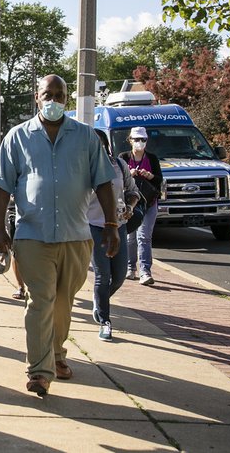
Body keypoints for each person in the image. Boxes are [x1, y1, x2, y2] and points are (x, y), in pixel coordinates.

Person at [0, 74, 119, 398]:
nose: (54, 100)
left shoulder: (87, 138)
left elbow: (104, 182)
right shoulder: (17, 137)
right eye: (49, 94)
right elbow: (2, 186)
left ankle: (57, 355)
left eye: (60, 95)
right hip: (33, 235)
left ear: (67, 100)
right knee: (40, 301)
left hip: (76, 236)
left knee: (63, 304)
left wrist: (113, 226)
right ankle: (39, 371)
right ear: (37, 97)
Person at [87, 129, 142, 342]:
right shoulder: (83, 169)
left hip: (118, 223)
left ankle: (99, 300)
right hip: (94, 225)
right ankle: (105, 321)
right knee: (102, 275)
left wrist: (129, 206)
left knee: (119, 276)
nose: (98, 148)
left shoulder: (119, 165)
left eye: (101, 144)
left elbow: (133, 191)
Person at [119, 126, 163, 286]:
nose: (140, 143)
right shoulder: (123, 157)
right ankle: (130, 269)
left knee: (144, 237)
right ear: (130, 140)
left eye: (143, 140)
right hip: (129, 203)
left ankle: (145, 271)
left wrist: (150, 175)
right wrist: (128, 174)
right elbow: (115, 178)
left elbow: (159, 180)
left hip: (148, 202)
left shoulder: (152, 159)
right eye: (136, 139)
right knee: (130, 237)